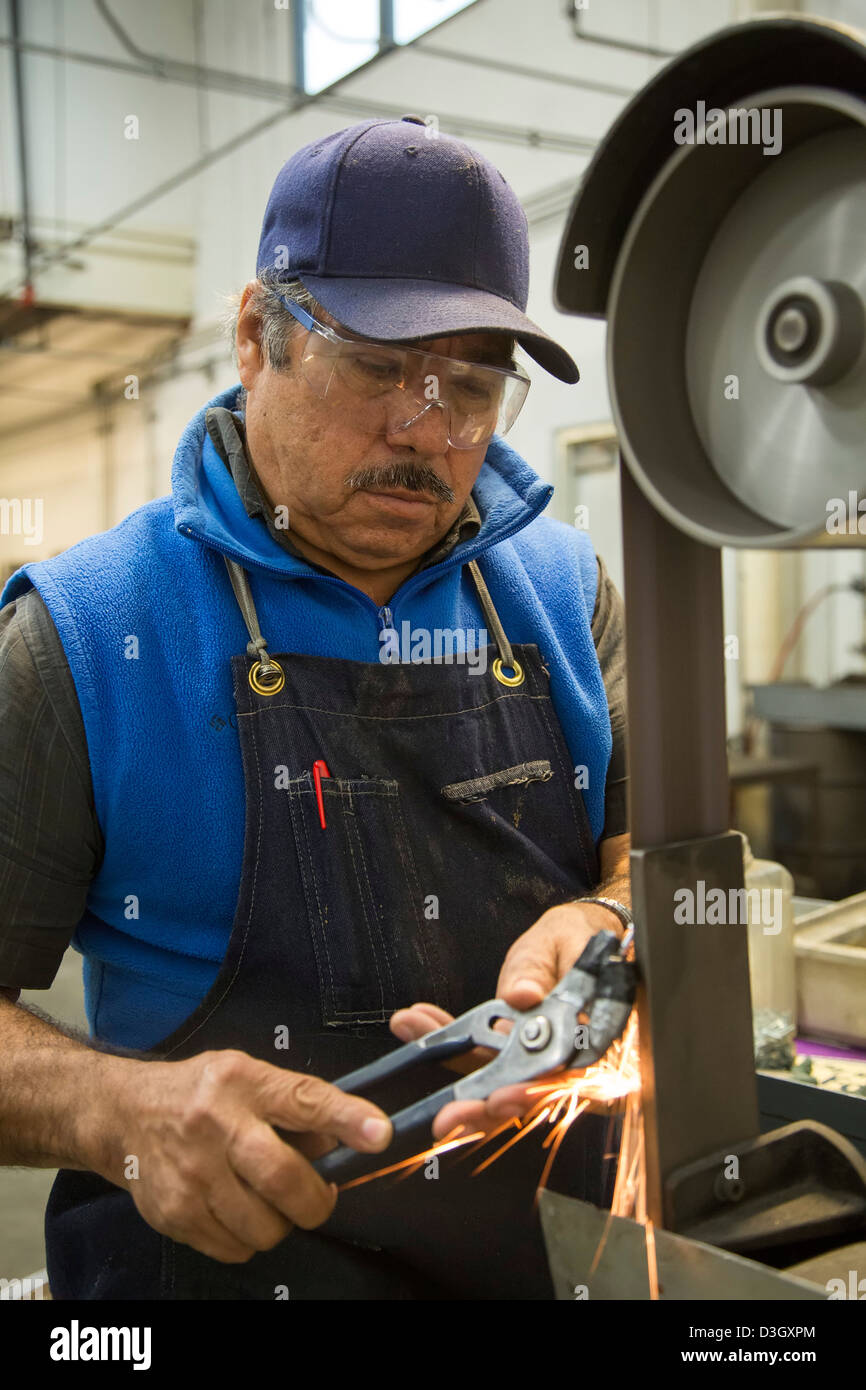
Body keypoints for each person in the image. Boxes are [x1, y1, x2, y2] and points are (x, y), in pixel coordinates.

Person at [0, 115, 630, 1299]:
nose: (425, 429)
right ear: (255, 335)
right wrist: (112, 1106)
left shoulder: (563, 594)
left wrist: (610, 920)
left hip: (548, 1266)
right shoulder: (82, 636)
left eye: (471, 383)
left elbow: (646, 863)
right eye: (379, 367)